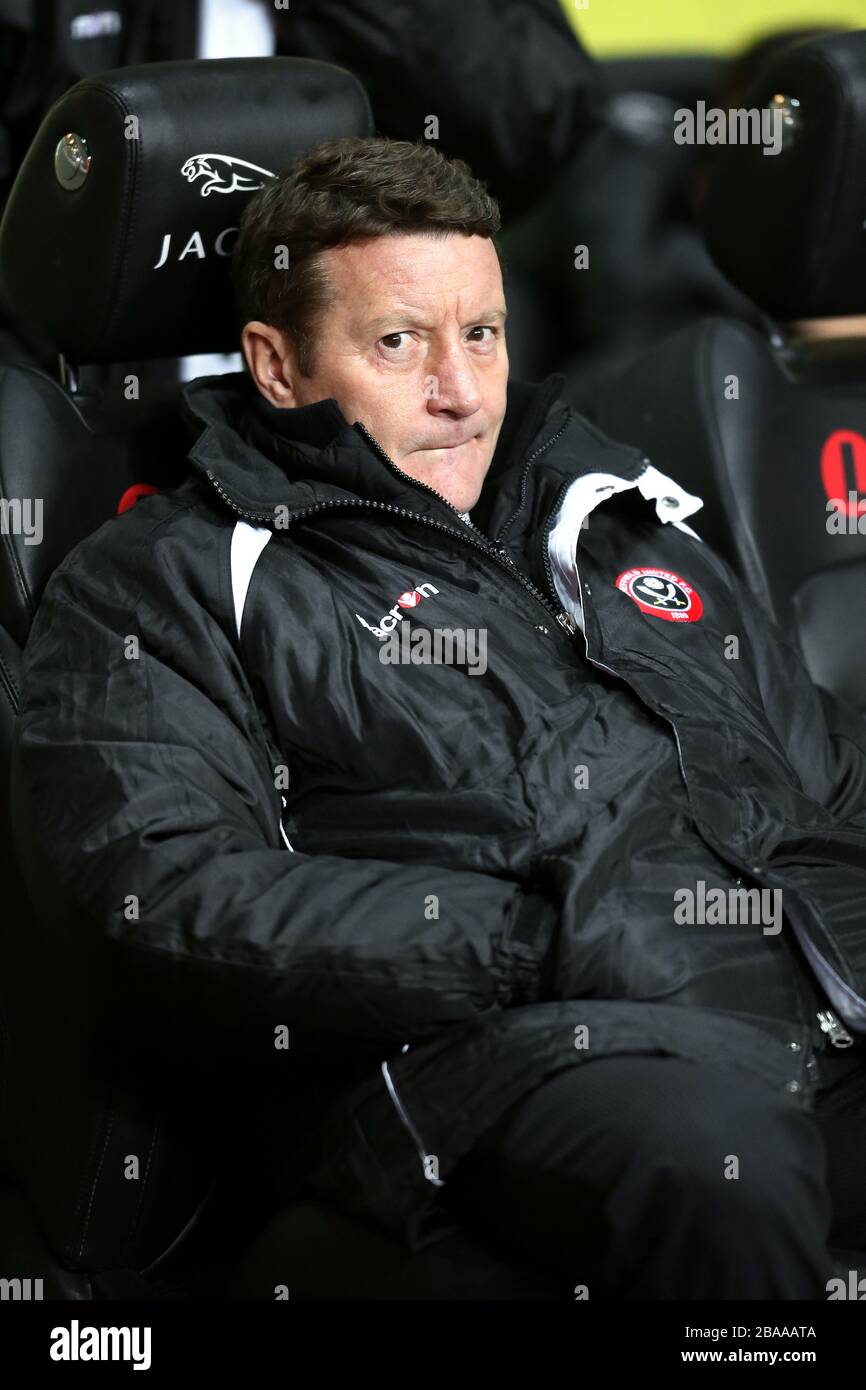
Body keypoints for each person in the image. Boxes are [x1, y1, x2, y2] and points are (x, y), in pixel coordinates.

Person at [14, 135, 866, 1300]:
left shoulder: (603, 511)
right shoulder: (163, 577)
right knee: (718, 1166)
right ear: (275, 364)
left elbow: (818, 770)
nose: (460, 392)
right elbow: (163, 895)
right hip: (506, 1051)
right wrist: (542, 941)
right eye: (397, 343)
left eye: (481, 333)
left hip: (794, 997)